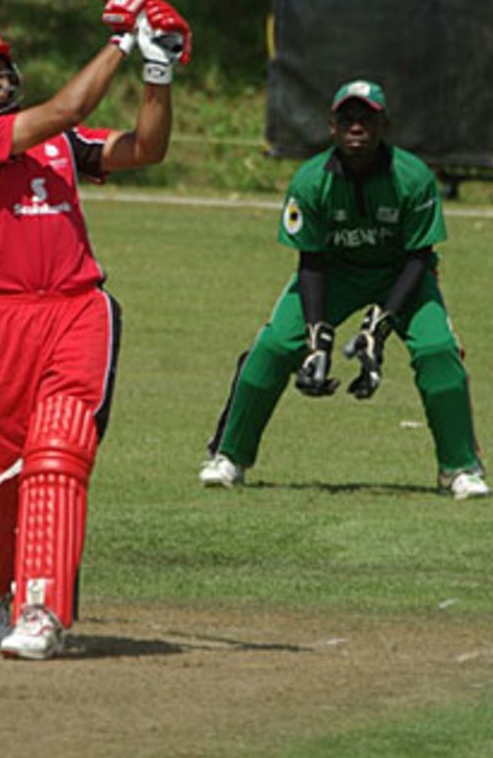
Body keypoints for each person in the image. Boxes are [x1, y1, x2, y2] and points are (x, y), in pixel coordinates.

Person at [0, 0, 192, 660]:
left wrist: (157, 68)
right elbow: (69, 103)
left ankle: (42, 608)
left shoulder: (63, 142)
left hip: (81, 309)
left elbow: (146, 149)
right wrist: (120, 39)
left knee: (58, 452)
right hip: (0, 320)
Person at [200, 80, 487, 500]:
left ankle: (459, 467)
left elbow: (419, 256)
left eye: (366, 118)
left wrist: (381, 325)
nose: (357, 126)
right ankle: (229, 457)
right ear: (332, 126)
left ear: (382, 124)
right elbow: (310, 260)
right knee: (276, 345)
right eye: (347, 118)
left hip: (401, 275)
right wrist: (317, 338)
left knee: (437, 350)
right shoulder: (310, 181)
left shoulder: (413, 177)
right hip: (333, 275)